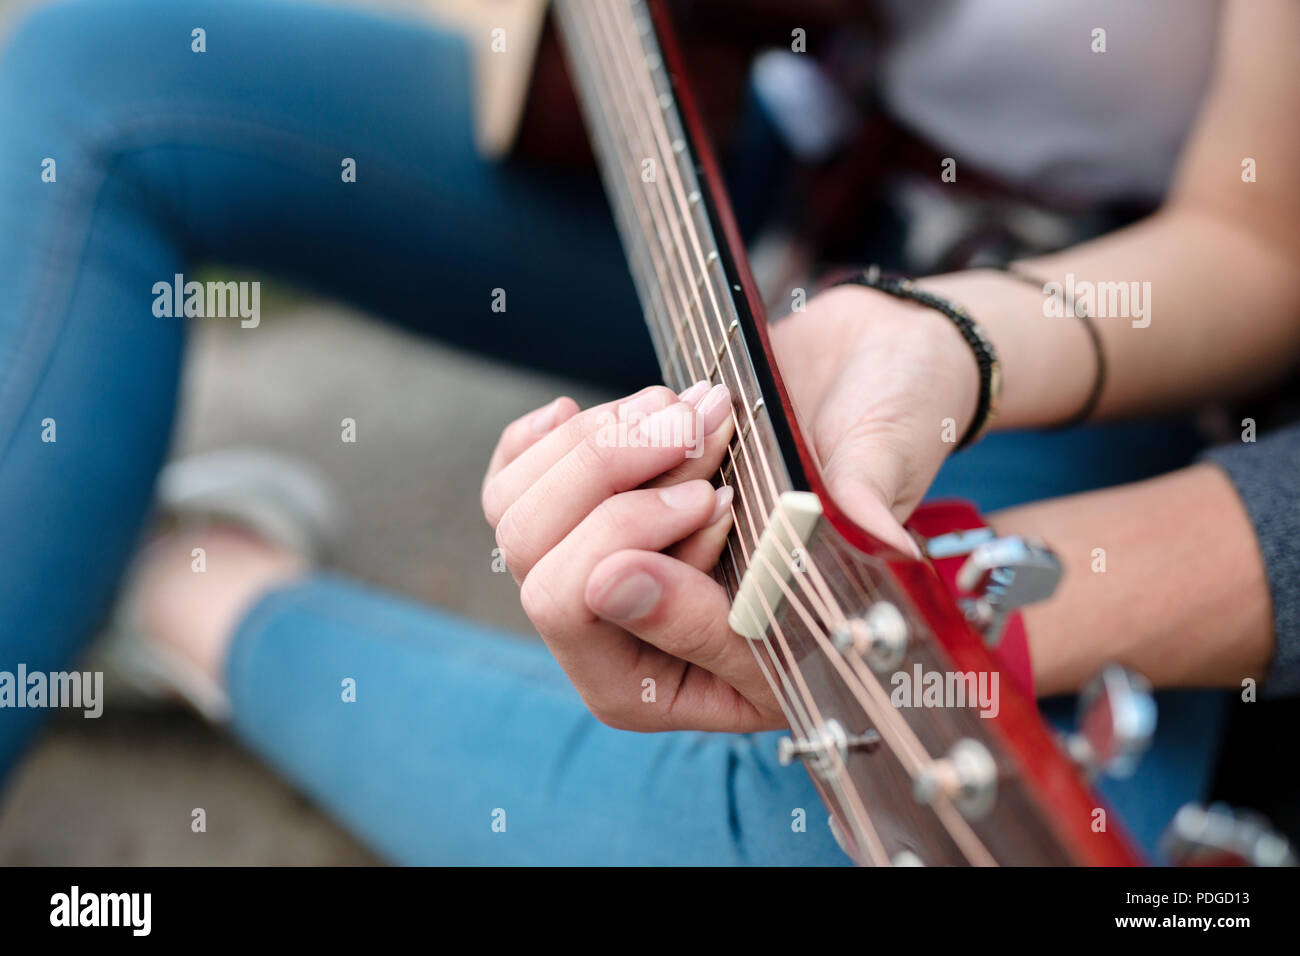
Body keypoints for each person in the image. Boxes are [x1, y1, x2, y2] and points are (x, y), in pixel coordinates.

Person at [1, 0, 1296, 864]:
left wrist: (951, 346)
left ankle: (191, 586)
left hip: (1094, 303)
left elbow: (1262, 245)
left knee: (863, 813)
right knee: (94, 83)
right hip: (768, 158)